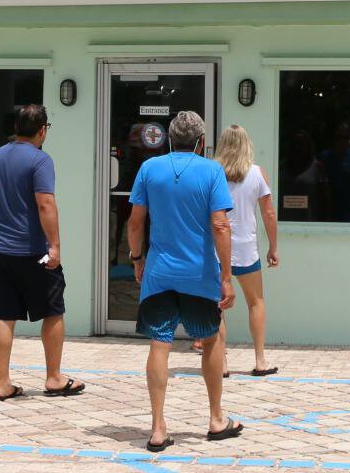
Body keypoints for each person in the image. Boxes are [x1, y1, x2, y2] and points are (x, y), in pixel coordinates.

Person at [127, 110, 242, 452]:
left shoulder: (150, 169)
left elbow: (135, 222)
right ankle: (216, 419)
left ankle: (158, 428)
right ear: (201, 142)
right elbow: (220, 225)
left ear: (169, 138)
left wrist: (136, 258)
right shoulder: (211, 171)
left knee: (160, 343)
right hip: (200, 273)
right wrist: (226, 276)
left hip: (160, 271)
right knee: (210, 342)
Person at [0, 104, 85, 401]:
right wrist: (54, 247)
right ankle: (53, 378)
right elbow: (45, 204)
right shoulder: (40, 161)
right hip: (35, 252)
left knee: (3, 314)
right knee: (52, 309)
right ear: (42, 130)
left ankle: (2, 384)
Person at [213, 125, 279, 376]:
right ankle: (260, 360)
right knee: (256, 302)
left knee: (217, 307)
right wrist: (273, 247)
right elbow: (268, 213)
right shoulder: (257, 174)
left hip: (218, 248)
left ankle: (222, 364)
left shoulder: (213, 173)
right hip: (247, 248)